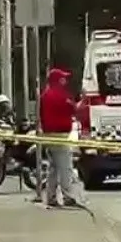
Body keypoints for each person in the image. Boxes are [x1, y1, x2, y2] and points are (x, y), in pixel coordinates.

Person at [39, 67, 81, 209]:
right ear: (57, 80)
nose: (65, 81)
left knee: (54, 168)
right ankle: (68, 196)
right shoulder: (60, 94)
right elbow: (73, 108)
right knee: (65, 167)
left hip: (48, 135)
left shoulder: (45, 95)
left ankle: (50, 196)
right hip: (59, 135)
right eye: (63, 78)